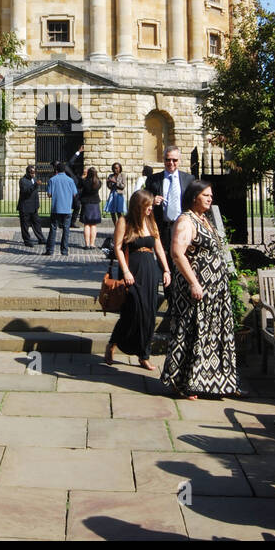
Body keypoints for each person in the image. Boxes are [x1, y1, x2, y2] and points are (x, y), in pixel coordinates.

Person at [162, 180, 240, 399]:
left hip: (215, 290)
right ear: (194, 196)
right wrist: (194, 282)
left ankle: (217, 382)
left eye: (211, 196)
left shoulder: (204, 219)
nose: (210, 198)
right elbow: (177, 253)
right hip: (195, 289)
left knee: (213, 334)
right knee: (190, 331)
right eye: (206, 195)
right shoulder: (186, 221)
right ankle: (182, 383)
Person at [106, 189, 172, 370]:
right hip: (131, 269)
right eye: (147, 205)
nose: (151, 209)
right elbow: (118, 248)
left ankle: (144, 354)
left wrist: (166, 270)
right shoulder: (124, 222)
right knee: (133, 310)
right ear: (138, 206)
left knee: (149, 312)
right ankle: (114, 343)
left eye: (151, 205)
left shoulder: (151, 222)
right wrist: (126, 271)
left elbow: (158, 248)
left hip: (150, 270)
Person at [146, 145, 194, 256]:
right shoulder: (153, 179)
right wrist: (152, 201)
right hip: (162, 227)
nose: (171, 163)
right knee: (163, 260)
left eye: (174, 160)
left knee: (181, 257)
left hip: (182, 226)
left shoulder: (188, 179)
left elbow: (193, 202)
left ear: (180, 161)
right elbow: (143, 200)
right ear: (164, 160)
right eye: (168, 159)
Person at [45, 162, 77, 257]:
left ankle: (50, 250)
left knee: (53, 228)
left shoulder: (52, 179)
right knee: (66, 230)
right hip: (67, 208)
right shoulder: (70, 180)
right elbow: (74, 194)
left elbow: (49, 194)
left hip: (56, 208)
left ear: (56, 170)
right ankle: (64, 251)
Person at [18, 165, 45, 247]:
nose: (33, 174)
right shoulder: (22, 180)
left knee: (37, 223)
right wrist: (35, 185)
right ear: (27, 172)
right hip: (25, 207)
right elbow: (25, 191)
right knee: (25, 225)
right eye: (31, 173)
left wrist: (37, 204)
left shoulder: (34, 179)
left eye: (34, 173)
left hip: (34, 207)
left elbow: (35, 193)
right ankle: (27, 240)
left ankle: (41, 239)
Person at [79, 166, 103, 250]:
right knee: (93, 225)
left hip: (86, 203)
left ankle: (87, 244)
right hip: (95, 203)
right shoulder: (98, 182)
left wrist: (83, 177)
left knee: (86, 224)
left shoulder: (85, 182)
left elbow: (79, 186)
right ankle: (92, 244)